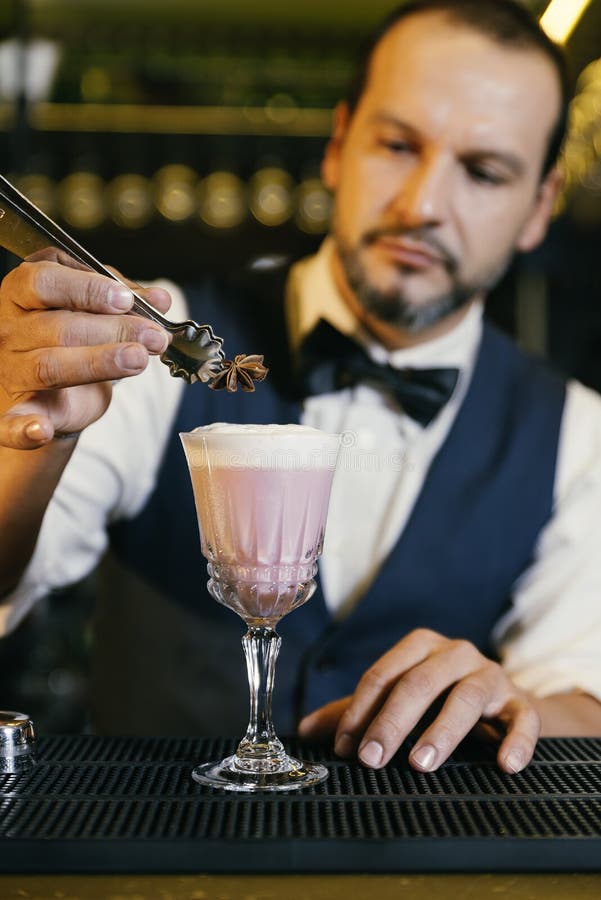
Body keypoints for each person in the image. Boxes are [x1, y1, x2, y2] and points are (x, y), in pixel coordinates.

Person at [1, 0, 601, 777]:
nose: (421, 205)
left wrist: (515, 704)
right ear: (337, 145)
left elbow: (582, 699)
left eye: (483, 172)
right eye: (395, 144)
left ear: (539, 207)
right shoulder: (162, 342)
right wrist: (24, 436)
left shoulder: (576, 434)